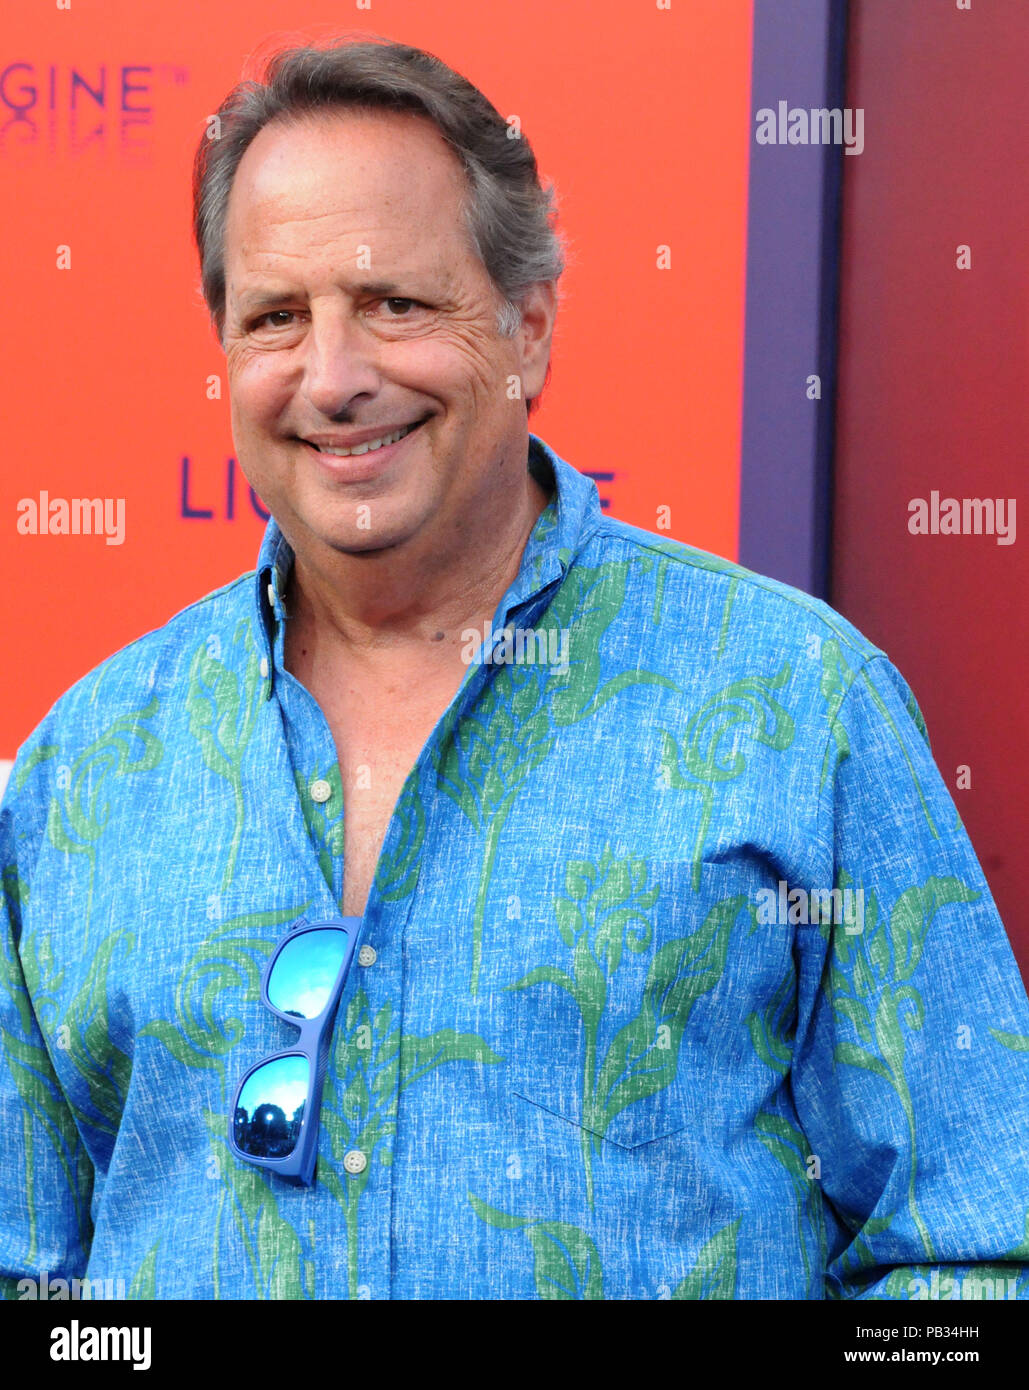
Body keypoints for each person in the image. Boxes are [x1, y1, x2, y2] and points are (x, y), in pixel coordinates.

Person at [2, 35, 1027, 1302]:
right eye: (277, 317)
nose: (334, 378)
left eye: (396, 304)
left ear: (527, 329)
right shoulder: (81, 773)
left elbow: (975, 1243)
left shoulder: (797, 706)